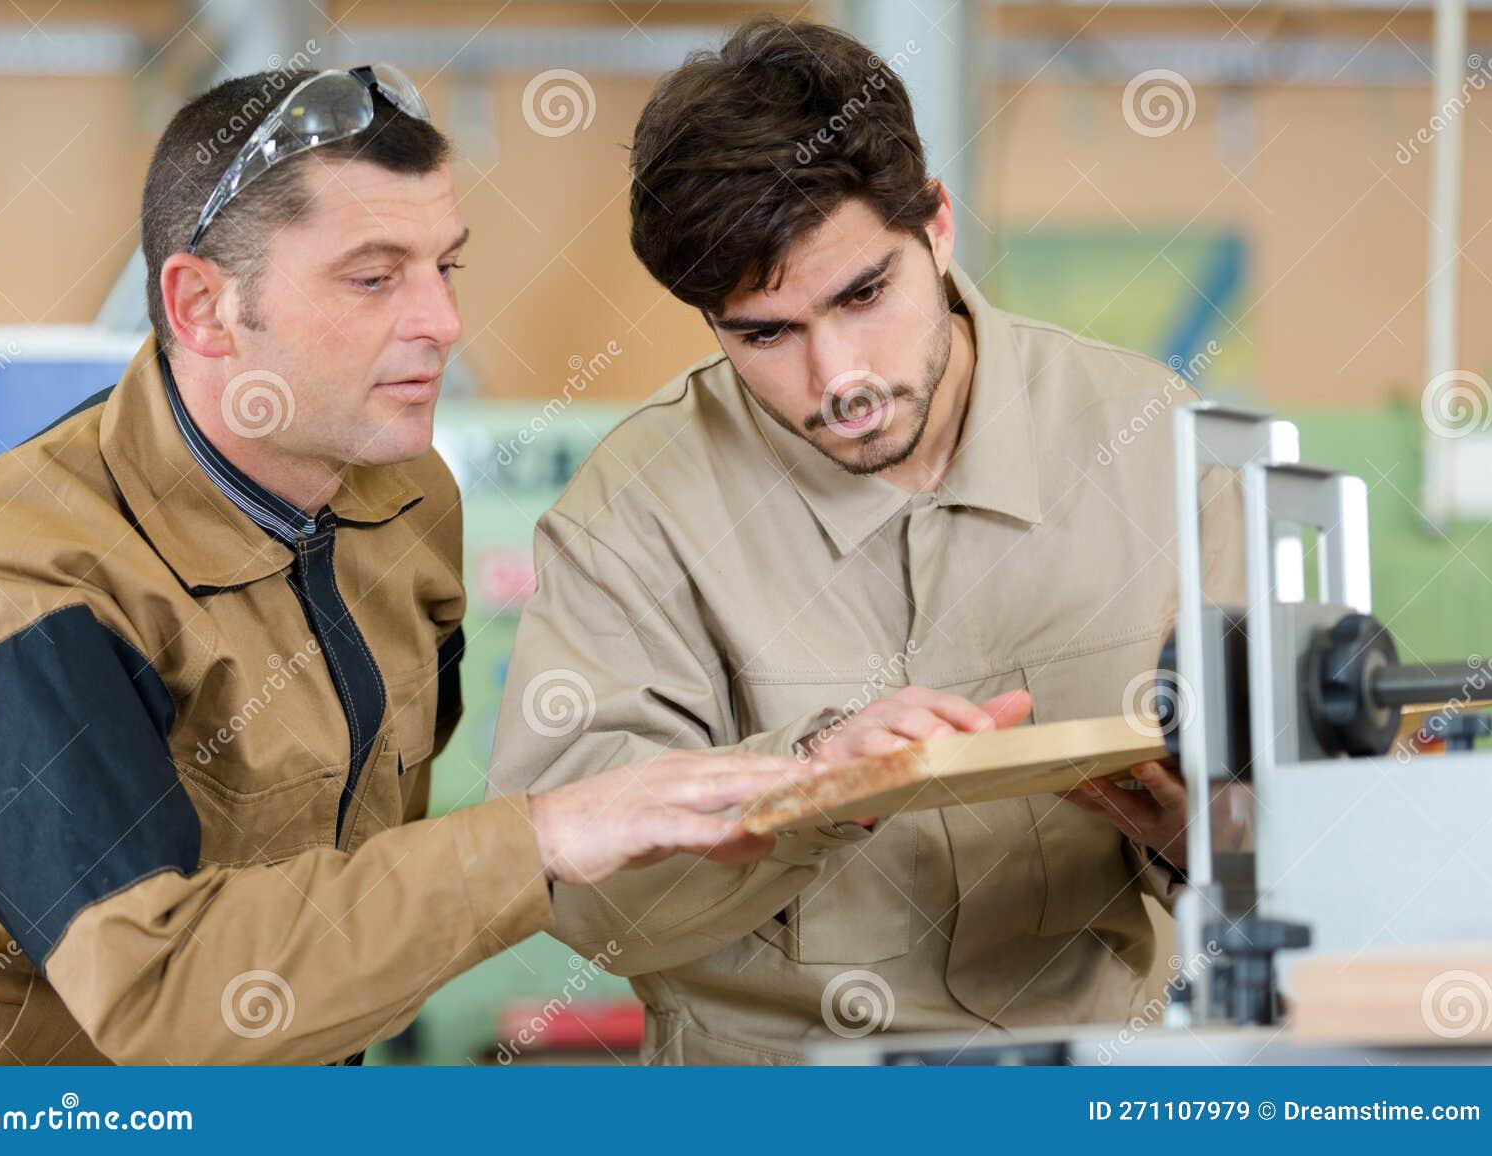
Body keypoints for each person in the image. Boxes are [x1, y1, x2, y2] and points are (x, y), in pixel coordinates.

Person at [0, 64, 805, 1067]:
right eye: (374, 278)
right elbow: (160, 993)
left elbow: (369, 889)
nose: (443, 322)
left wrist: (814, 783)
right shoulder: (14, 574)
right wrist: (543, 836)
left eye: (445, 267)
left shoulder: (408, 501)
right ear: (202, 306)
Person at [488, 19, 1241, 1064]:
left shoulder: (1157, 439)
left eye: (863, 294)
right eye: (766, 333)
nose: (838, 378)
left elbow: (1319, 830)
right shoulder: (628, 514)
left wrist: (1206, 838)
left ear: (937, 226)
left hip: (1094, 1077)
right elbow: (583, 902)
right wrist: (802, 786)